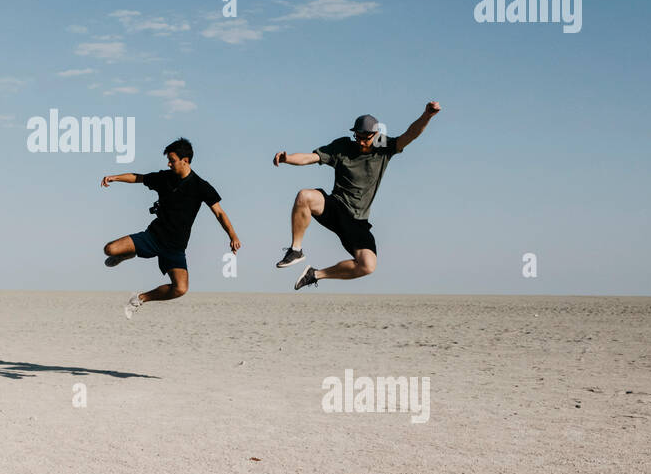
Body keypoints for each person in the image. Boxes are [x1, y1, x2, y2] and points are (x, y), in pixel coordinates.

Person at [272, 102, 441, 291]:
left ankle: (315, 274)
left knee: (368, 265)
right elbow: (311, 157)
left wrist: (427, 115)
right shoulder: (343, 146)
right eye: (357, 137)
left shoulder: (384, 149)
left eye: (365, 138)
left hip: (357, 221)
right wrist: (288, 159)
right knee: (305, 196)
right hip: (335, 207)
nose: (360, 141)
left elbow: (410, 134)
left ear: (375, 135)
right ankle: (296, 250)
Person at [101, 138, 241, 318]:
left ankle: (140, 298)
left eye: (172, 160)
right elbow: (139, 177)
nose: (169, 163)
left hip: (175, 247)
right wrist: (114, 177)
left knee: (180, 288)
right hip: (153, 237)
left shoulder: (201, 187)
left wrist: (233, 236)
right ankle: (129, 253)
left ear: (186, 160)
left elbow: (219, 213)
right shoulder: (164, 178)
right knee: (109, 249)